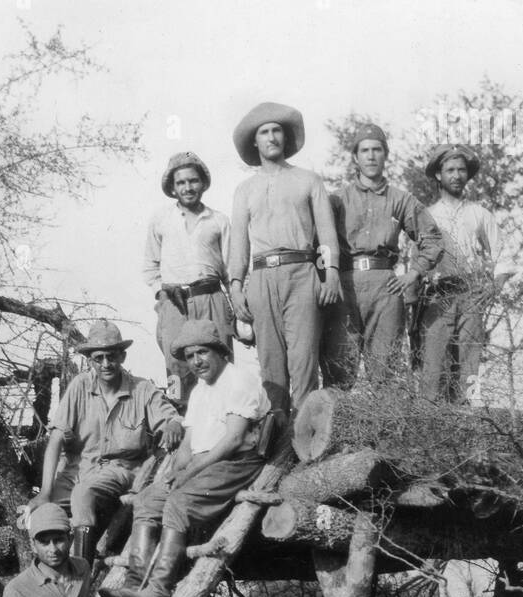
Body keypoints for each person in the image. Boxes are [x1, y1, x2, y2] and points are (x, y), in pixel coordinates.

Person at [106, 319, 270, 597]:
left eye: (202, 353)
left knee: (178, 504)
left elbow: (232, 441)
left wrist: (190, 472)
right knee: (147, 500)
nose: (196, 361)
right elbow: (187, 444)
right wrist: (173, 473)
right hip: (204, 462)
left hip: (235, 463)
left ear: (220, 351)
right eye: (190, 356)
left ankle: (158, 588)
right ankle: (134, 584)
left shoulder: (239, 380)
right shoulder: (199, 391)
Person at [31, 320, 183, 564]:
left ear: (122, 356)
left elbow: (170, 418)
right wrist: (45, 492)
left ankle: (81, 577)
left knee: (83, 493)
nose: (105, 364)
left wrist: (173, 425)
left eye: (111, 357)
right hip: (78, 469)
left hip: (121, 470)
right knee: (43, 513)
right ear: (90, 360)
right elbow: (56, 439)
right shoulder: (80, 386)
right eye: (98, 358)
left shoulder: (141, 389)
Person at [228, 101, 340, 417]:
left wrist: (330, 272)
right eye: (264, 132)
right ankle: (277, 439)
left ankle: (306, 440)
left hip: (302, 272)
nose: (272, 137)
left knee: (304, 360)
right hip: (262, 277)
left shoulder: (308, 180)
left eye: (277, 130)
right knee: (271, 366)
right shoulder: (244, 190)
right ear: (255, 141)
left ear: (285, 137)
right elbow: (238, 244)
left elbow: (326, 234)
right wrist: (236, 286)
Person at [320, 123, 443, 388]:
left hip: (385, 286)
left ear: (385, 154)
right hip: (345, 285)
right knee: (338, 370)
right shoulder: (337, 200)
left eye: (377, 149)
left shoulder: (400, 200)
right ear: (355, 157)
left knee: (385, 372)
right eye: (364, 150)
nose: (371, 156)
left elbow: (432, 238)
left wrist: (413, 273)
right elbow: (317, 242)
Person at [414, 144, 512, 403]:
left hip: (470, 294)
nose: (456, 176)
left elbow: (504, 256)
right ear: (438, 175)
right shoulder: (427, 215)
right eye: (450, 170)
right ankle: (428, 423)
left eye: (461, 170)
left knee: (469, 366)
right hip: (437, 296)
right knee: (432, 367)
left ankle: (469, 421)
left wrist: (494, 287)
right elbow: (415, 260)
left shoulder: (478, 214)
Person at [143, 151, 233, 404]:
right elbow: (150, 266)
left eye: (193, 180)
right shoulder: (161, 219)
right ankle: (179, 424)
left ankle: (223, 428)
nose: (188, 187)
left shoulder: (219, 220)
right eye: (181, 182)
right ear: (173, 187)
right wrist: (160, 294)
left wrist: (236, 310)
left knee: (217, 362)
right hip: (174, 302)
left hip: (210, 298)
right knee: (176, 367)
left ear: (202, 183)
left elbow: (232, 270)